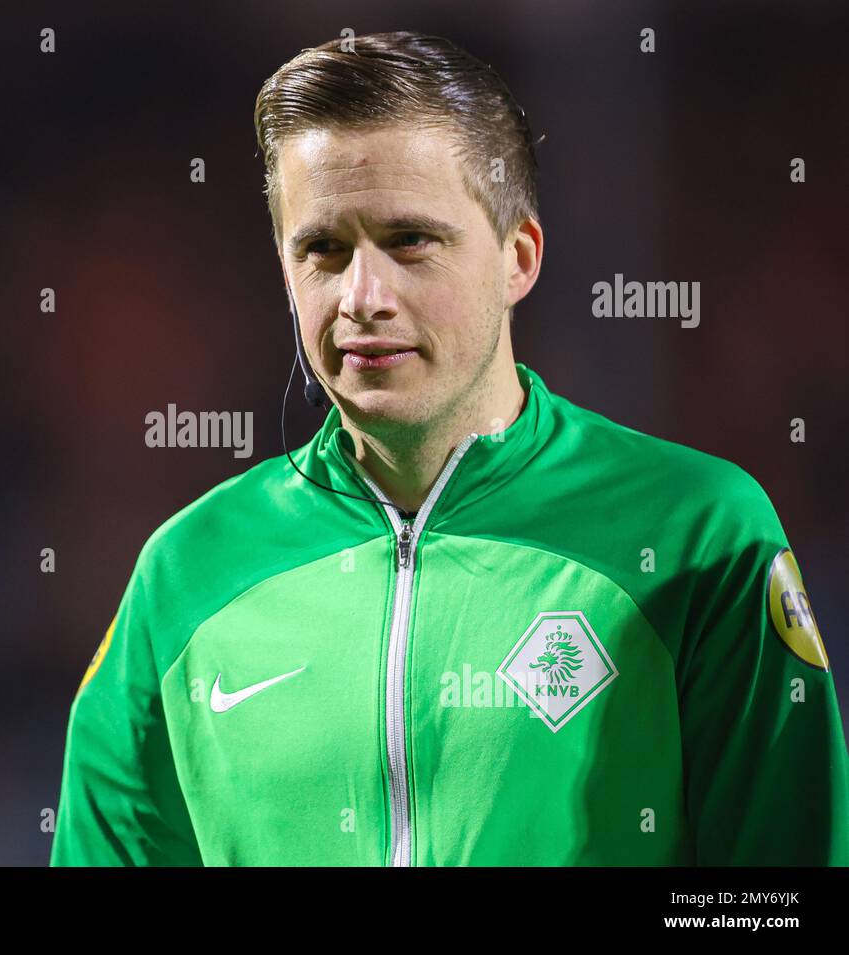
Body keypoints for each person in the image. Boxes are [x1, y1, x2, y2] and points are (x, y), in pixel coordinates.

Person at [50, 30, 848, 866]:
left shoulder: (697, 535)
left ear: (518, 258)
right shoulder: (186, 575)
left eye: (409, 242)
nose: (363, 297)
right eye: (322, 250)